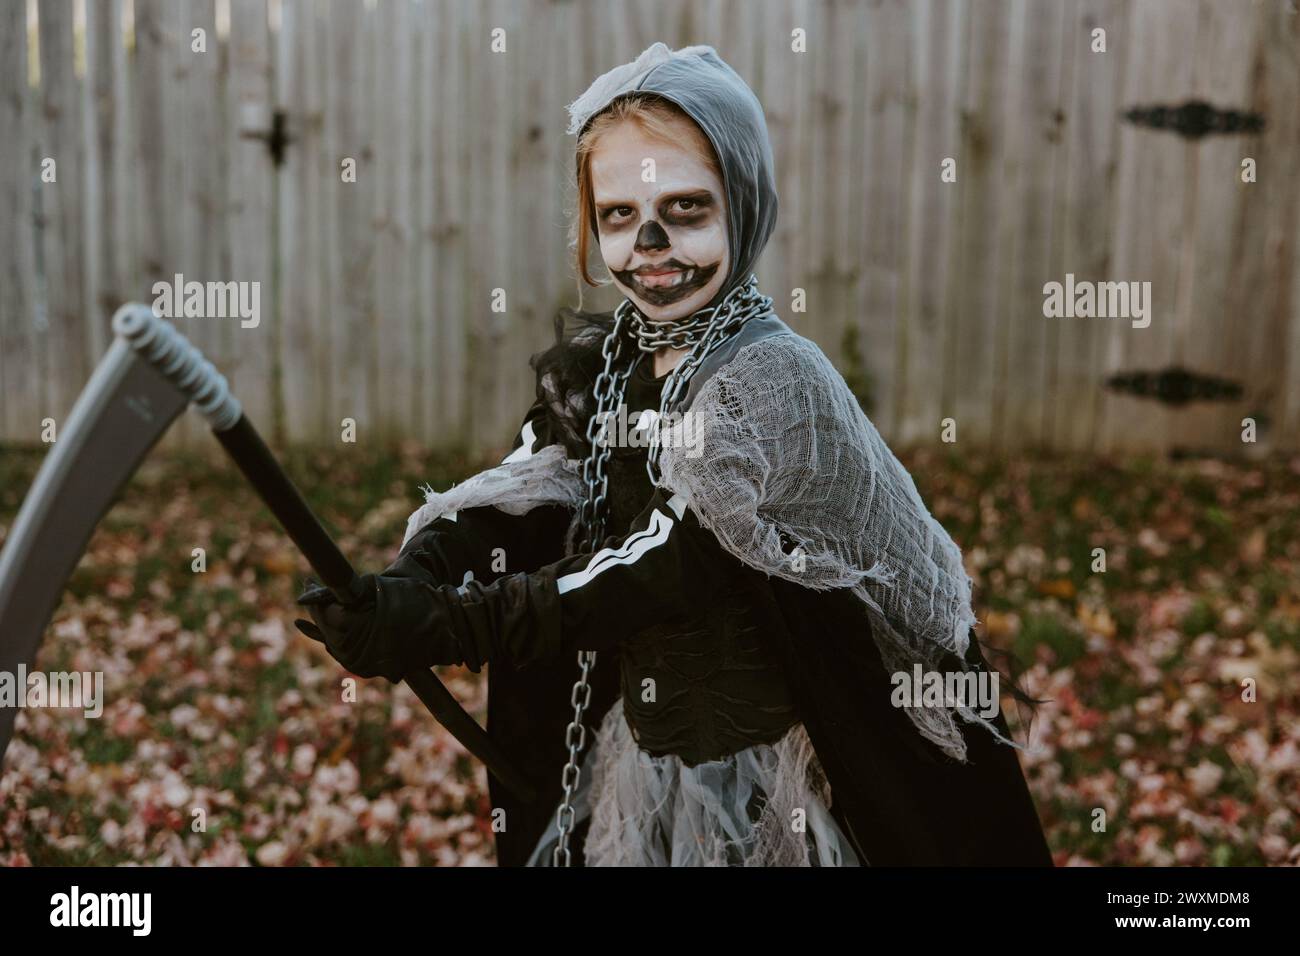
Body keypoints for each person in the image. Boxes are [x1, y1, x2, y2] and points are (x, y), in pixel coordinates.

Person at [296, 43, 1053, 867]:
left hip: (771, 782)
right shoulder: (609, 361)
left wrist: (455, 624)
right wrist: (417, 579)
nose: (649, 242)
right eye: (619, 216)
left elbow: (663, 564)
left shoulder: (767, 382)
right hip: (642, 764)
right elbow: (529, 494)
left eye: (686, 209)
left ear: (745, 204)